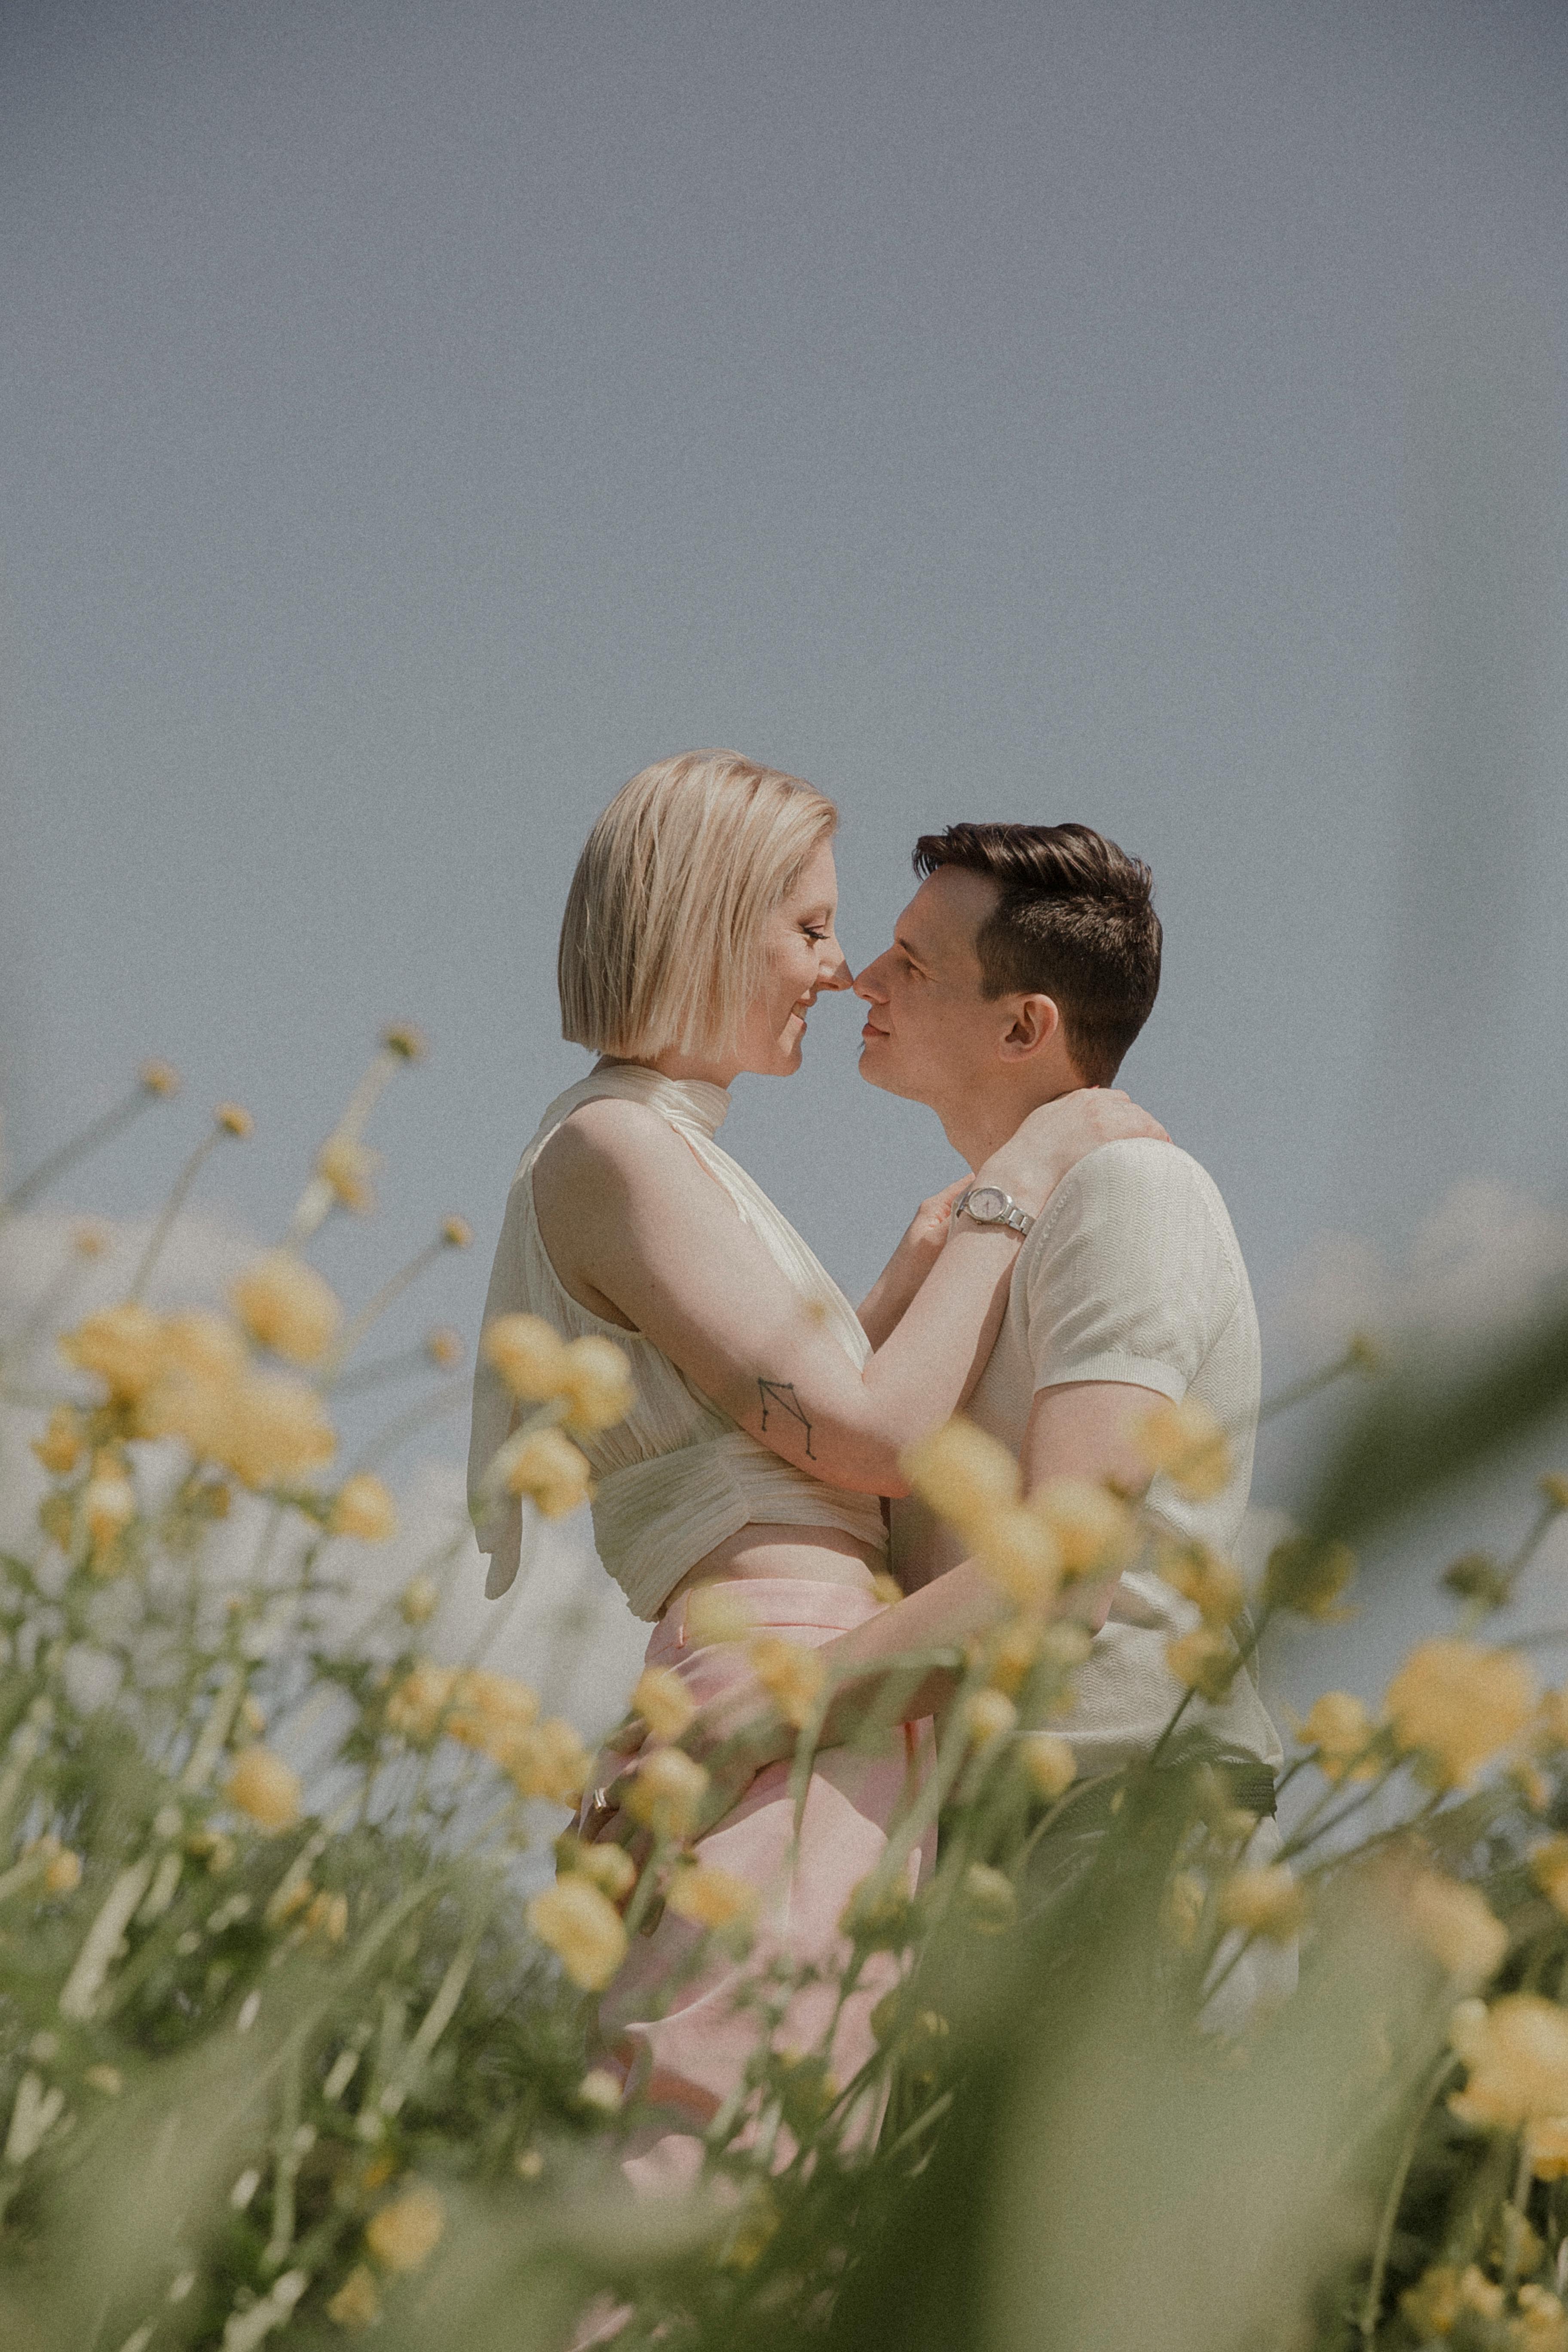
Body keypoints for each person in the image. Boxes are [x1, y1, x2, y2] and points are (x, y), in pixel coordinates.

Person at [467, 753, 1164, 2192]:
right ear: (706, 922)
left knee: (769, 2150)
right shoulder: (614, 1147)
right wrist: (1012, 1191)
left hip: (808, 1677)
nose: (840, 971)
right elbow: (859, 1441)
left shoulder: (666, 1154)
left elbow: (774, 1425)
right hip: (787, 1672)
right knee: (723, 2155)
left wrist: (901, 1280)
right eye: (807, 929)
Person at [638, 820, 1286, 2021]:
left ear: (1024, 1027)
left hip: (1110, 1822)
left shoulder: (1130, 1194)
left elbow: (1057, 1579)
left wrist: (751, 1724)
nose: (857, 980)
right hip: (981, 1823)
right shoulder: (986, 1229)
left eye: (911, 965)